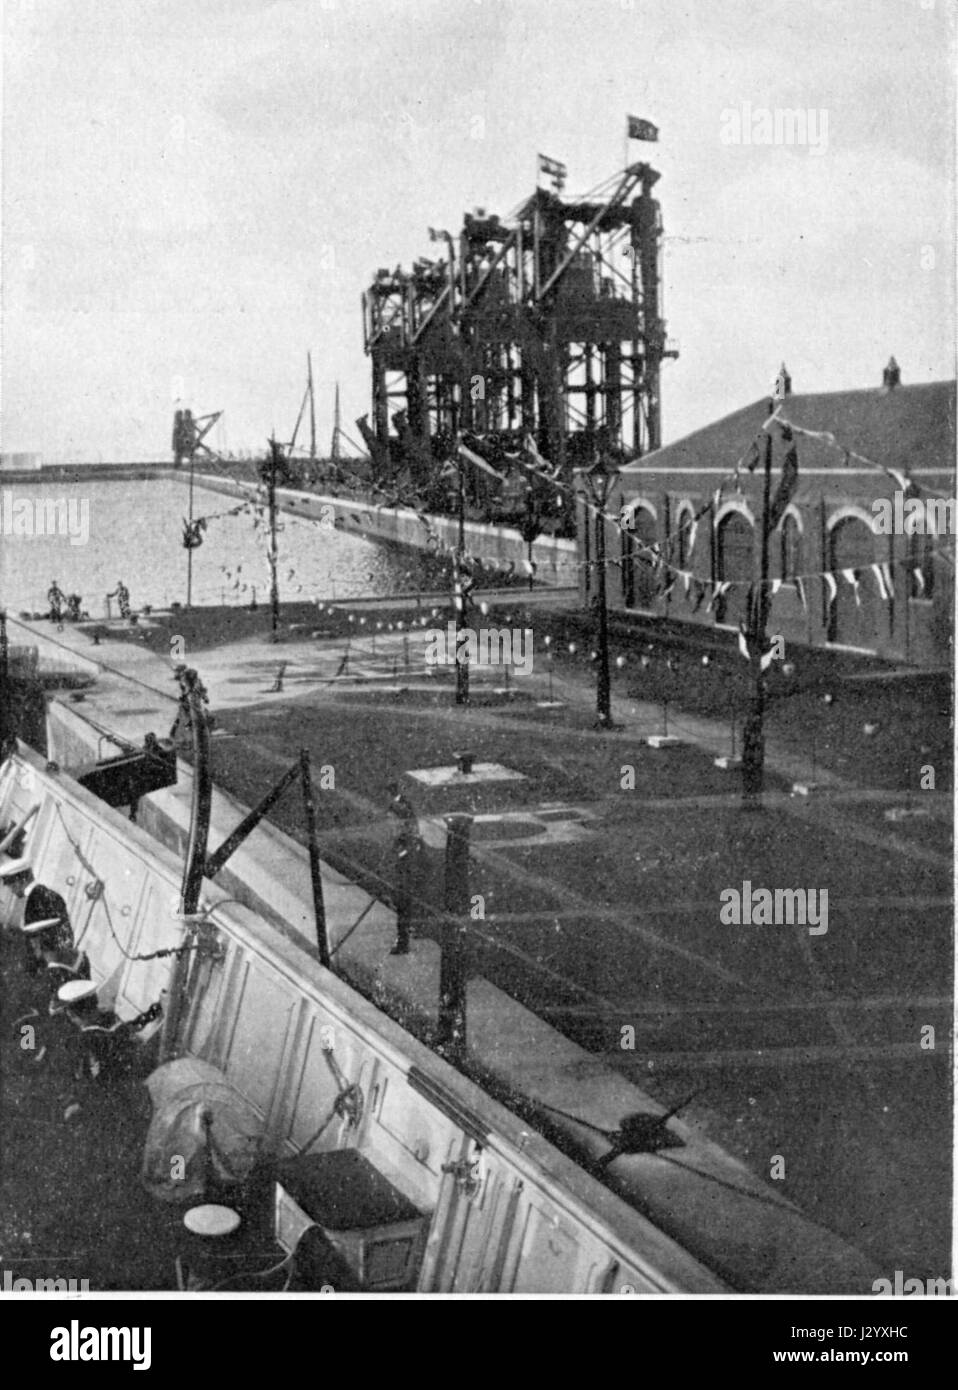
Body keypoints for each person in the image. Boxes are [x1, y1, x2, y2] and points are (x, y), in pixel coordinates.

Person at [51, 980, 162, 1083]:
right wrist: (155, 1010)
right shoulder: (107, 1034)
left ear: (71, 1014)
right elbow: (133, 1027)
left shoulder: (80, 1041)